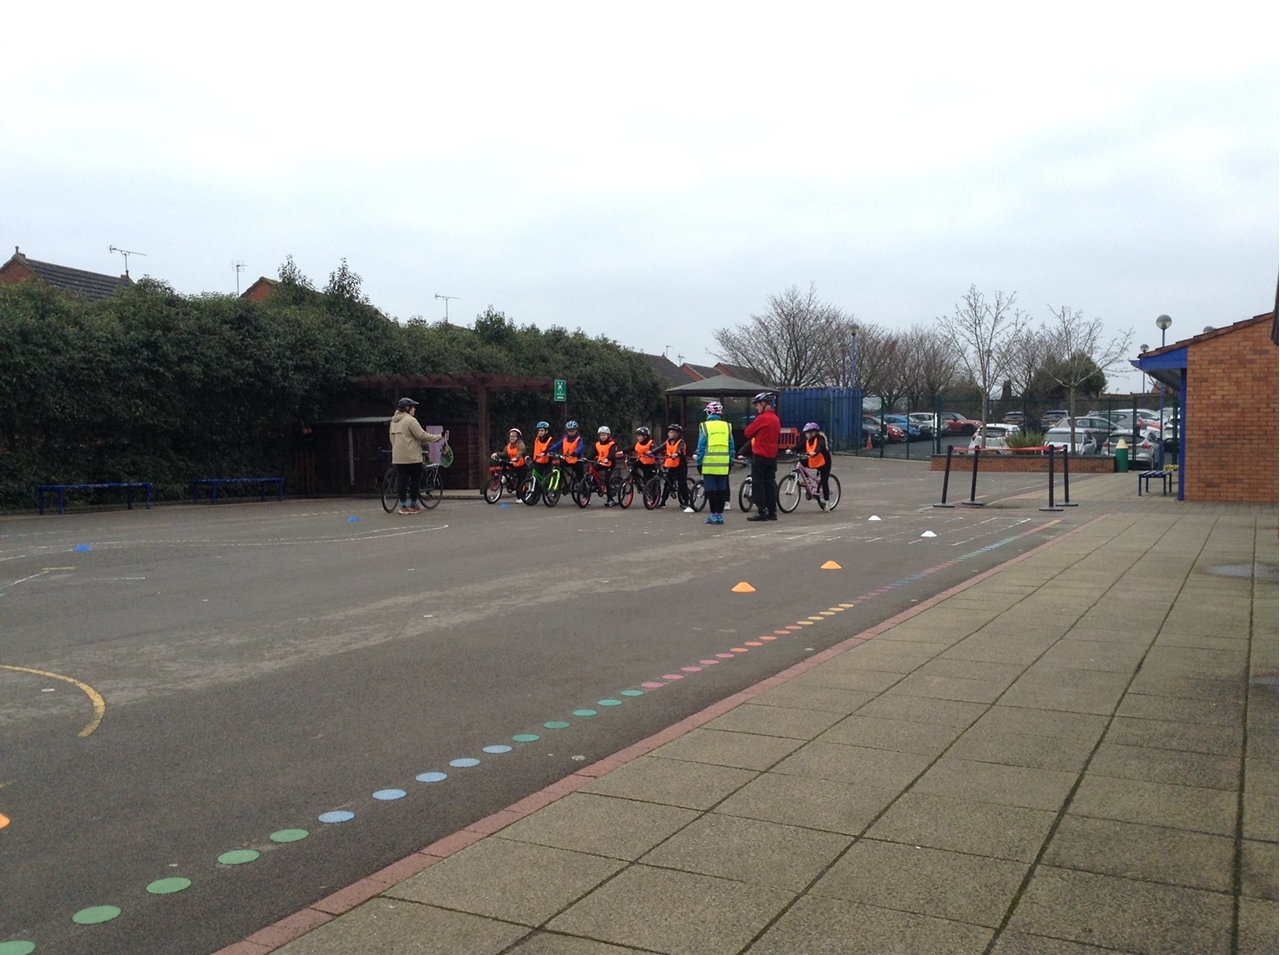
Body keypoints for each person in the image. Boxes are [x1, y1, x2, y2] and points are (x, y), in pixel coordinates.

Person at [389, 397, 444, 515]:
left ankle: (403, 506)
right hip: (412, 456)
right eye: (413, 407)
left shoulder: (394, 421)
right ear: (407, 408)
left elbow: (391, 438)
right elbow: (422, 435)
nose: (414, 409)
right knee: (415, 480)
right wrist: (438, 437)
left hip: (398, 456)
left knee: (402, 480)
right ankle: (413, 504)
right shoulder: (410, 420)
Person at [744, 392, 780, 521]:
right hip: (772, 455)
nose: (756, 407)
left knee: (758, 484)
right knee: (770, 483)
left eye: (757, 404)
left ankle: (761, 511)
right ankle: (772, 511)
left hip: (760, 455)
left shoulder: (762, 418)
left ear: (764, 404)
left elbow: (747, 432)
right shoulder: (776, 419)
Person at [696, 401, 734, 525]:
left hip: (709, 463)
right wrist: (731, 461)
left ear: (709, 412)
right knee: (721, 489)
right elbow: (731, 445)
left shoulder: (705, 426)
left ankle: (714, 515)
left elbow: (701, 446)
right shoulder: (727, 426)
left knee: (711, 490)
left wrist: (699, 462)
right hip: (723, 464)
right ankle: (720, 515)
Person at [660, 423, 691, 510]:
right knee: (667, 484)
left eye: (672, 432)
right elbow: (660, 448)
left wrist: (676, 454)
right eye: (669, 432)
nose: (669, 434)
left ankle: (686, 501)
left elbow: (680, 450)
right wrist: (651, 452)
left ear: (677, 434)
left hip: (681, 466)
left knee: (682, 483)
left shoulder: (681, 442)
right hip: (672, 465)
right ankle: (663, 502)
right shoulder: (668, 442)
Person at [802, 421, 832, 508]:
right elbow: (800, 446)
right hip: (814, 461)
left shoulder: (820, 438)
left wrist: (815, 452)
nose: (806, 435)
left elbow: (820, 446)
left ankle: (827, 502)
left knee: (824, 481)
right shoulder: (808, 440)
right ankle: (806, 481)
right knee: (800, 462)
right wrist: (791, 450)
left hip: (824, 463)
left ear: (813, 432)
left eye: (807, 433)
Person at [549, 420, 586, 489]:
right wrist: (549, 450)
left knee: (580, 477)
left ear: (576, 431)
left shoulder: (579, 439)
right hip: (567, 459)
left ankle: (584, 493)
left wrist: (575, 453)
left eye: (572, 431)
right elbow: (557, 445)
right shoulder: (564, 439)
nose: (571, 433)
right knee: (559, 468)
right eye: (569, 431)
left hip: (577, 460)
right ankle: (559, 485)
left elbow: (580, 447)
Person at [592, 425, 620, 505]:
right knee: (593, 469)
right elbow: (594, 453)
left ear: (608, 435)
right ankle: (596, 485)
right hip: (601, 462)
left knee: (606, 480)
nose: (602, 437)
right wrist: (585, 458)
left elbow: (612, 453)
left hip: (610, 464)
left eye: (604, 435)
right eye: (601, 435)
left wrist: (607, 459)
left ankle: (610, 499)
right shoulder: (597, 444)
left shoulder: (612, 444)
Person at [530, 421, 555, 489]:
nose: (540, 432)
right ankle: (534, 495)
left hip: (547, 462)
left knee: (547, 477)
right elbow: (535, 449)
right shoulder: (537, 439)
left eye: (542, 430)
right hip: (538, 461)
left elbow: (551, 447)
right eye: (539, 431)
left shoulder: (550, 439)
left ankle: (548, 491)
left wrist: (545, 452)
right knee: (536, 479)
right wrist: (529, 456)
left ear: (546, 431)